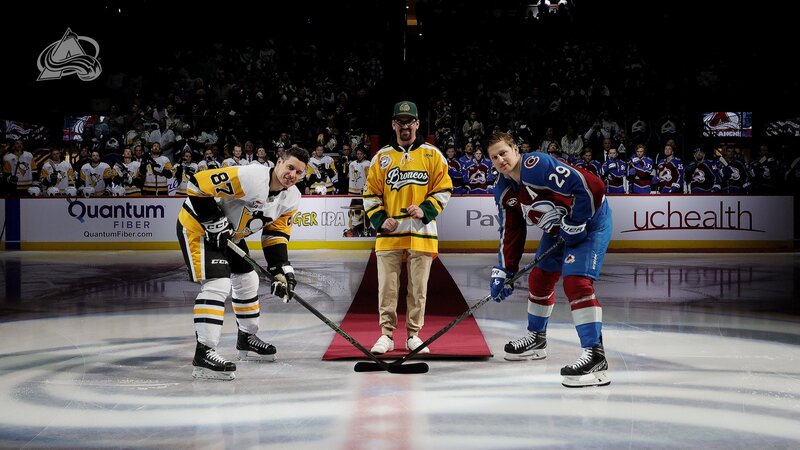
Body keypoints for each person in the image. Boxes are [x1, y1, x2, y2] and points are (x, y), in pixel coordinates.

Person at [486, 131, 611, 388]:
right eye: (494, 157)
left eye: (503, 152)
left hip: (591, 223)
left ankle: (596, 356)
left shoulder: (536, 165)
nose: (500, 159)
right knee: (539, 279)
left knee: (576, 282)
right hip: (558, 230)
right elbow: (511, 230)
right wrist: (505, 270)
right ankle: (536, 339)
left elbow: (593, 187)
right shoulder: (503, 188)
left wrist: (577, 221)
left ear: (515, 150)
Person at [177, 147, 310, 380]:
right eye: (290, 167)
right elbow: (197, 184)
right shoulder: (251, 176)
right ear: (278, 162)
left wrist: (281, 270)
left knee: (248, 279)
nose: (293, 175)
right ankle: (204, 352)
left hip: (231, 237)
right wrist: (214, 221)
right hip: (198, 228)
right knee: (218, 283)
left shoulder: (292, 197)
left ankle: (246, 339)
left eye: (299, 172)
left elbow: (275, 235)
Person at [363, 100, 453, 355]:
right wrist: (380, 219)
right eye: (400, 122)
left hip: (422, 234)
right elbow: (369, 194)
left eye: (409, 122)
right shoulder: (381, 157)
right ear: (393, 124)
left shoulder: (433, 155)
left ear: (417, 124)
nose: (405, 127)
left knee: (418, 289)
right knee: (387, 288)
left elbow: (445, 188)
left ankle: (414, 334)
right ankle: (386, 335)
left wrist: (425, 210)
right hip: (389, 235)